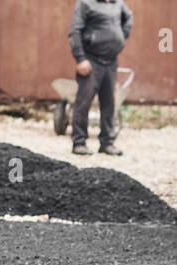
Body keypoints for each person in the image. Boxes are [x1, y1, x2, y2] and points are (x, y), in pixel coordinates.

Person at [68, 0, 133, 156]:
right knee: (83, 103)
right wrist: (80, 58)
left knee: (109, 103)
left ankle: (107, 143)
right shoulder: (85, 3)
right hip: (91, 60)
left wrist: (121, 36)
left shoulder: (118, 3)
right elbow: (74, 31)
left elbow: (128, 17)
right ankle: (79, 142)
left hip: (111, 61)